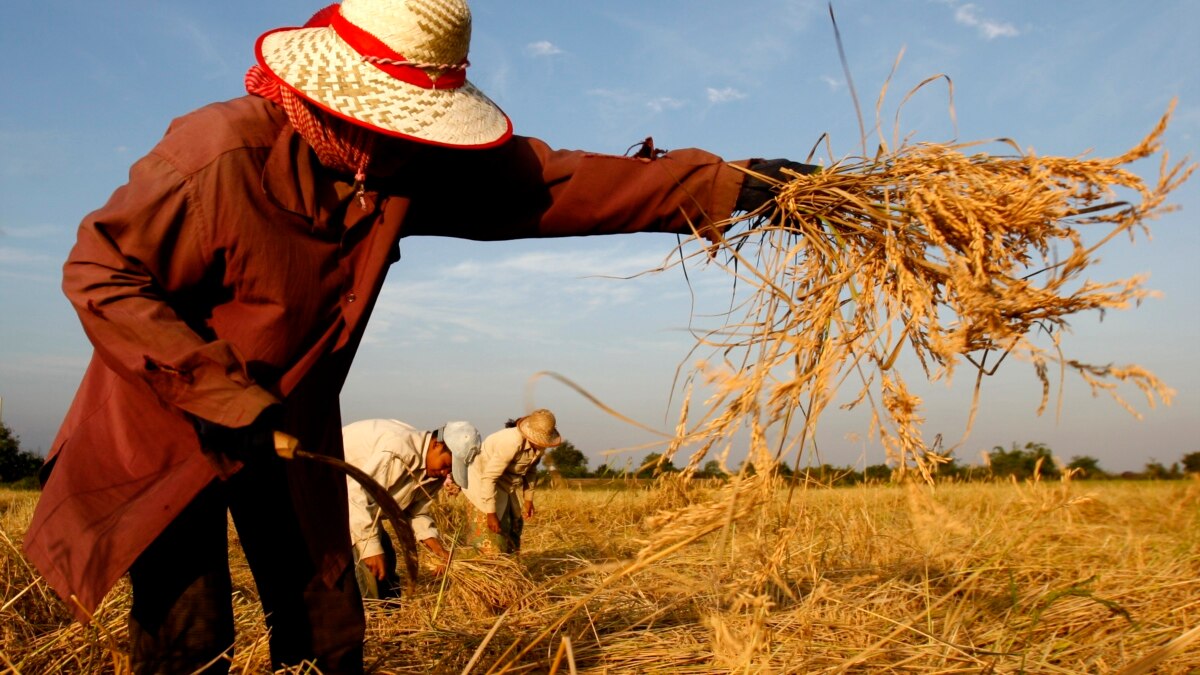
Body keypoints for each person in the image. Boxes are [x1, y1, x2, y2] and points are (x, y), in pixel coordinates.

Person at [21, 0, 813, 672]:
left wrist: (728, 185)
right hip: (169, 415)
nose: (415, 142)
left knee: (327, 622)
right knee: (190, 633)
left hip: (293, 421)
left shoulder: (397, 170)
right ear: (337, 101)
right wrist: (227, 397)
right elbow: (103, 272)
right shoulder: (215, 156)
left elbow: (556, 182)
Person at [342, 419, 480, 599]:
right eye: (447, 464)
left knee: (386, 559)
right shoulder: (398, 452)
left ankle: (390, 616)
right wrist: (370, 550)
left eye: (452, 470)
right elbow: (357, 495)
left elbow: (416, 512)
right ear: (437, 444)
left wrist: (437, 549)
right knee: (367, 563)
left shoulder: (432, 473)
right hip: (331, 489)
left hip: (360, 504)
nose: (446, 473)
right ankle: (372, 618)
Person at [461, 410, 561, 554]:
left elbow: (531, 471)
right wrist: (490, 513)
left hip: (505, 484)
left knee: (515, 526)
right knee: (489, 541)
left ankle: (509, 563)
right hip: (481, 482)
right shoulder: (511, 443)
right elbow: (489, 478)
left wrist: (528, 499)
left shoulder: (539, 446)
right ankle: (454, 561)